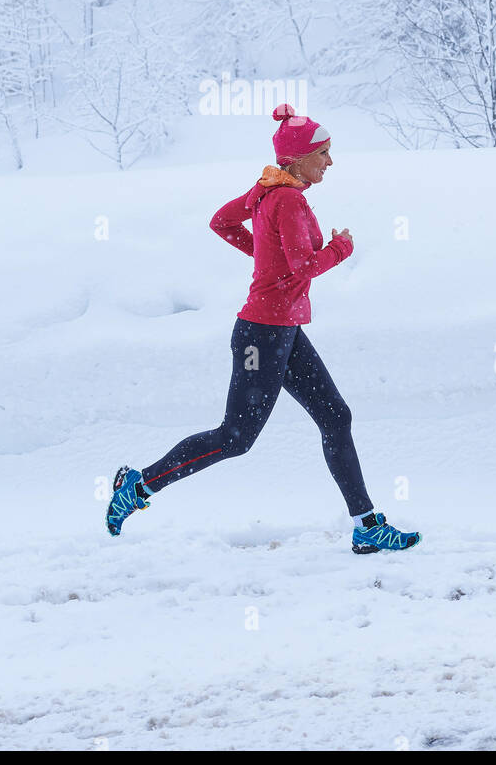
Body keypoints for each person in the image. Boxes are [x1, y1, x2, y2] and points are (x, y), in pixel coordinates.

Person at [106, 104, 421, 554]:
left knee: (335, 416)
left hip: (282, 330)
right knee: (235, 438)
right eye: (324, 153)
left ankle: (366, 525)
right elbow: (305, 265)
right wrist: (342, 247)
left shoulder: (269, 188)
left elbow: (224, 222)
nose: (330, 162)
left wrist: (264, 257)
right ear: (299, 158)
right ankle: (138, 487)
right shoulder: (287, 197)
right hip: (263, 335)